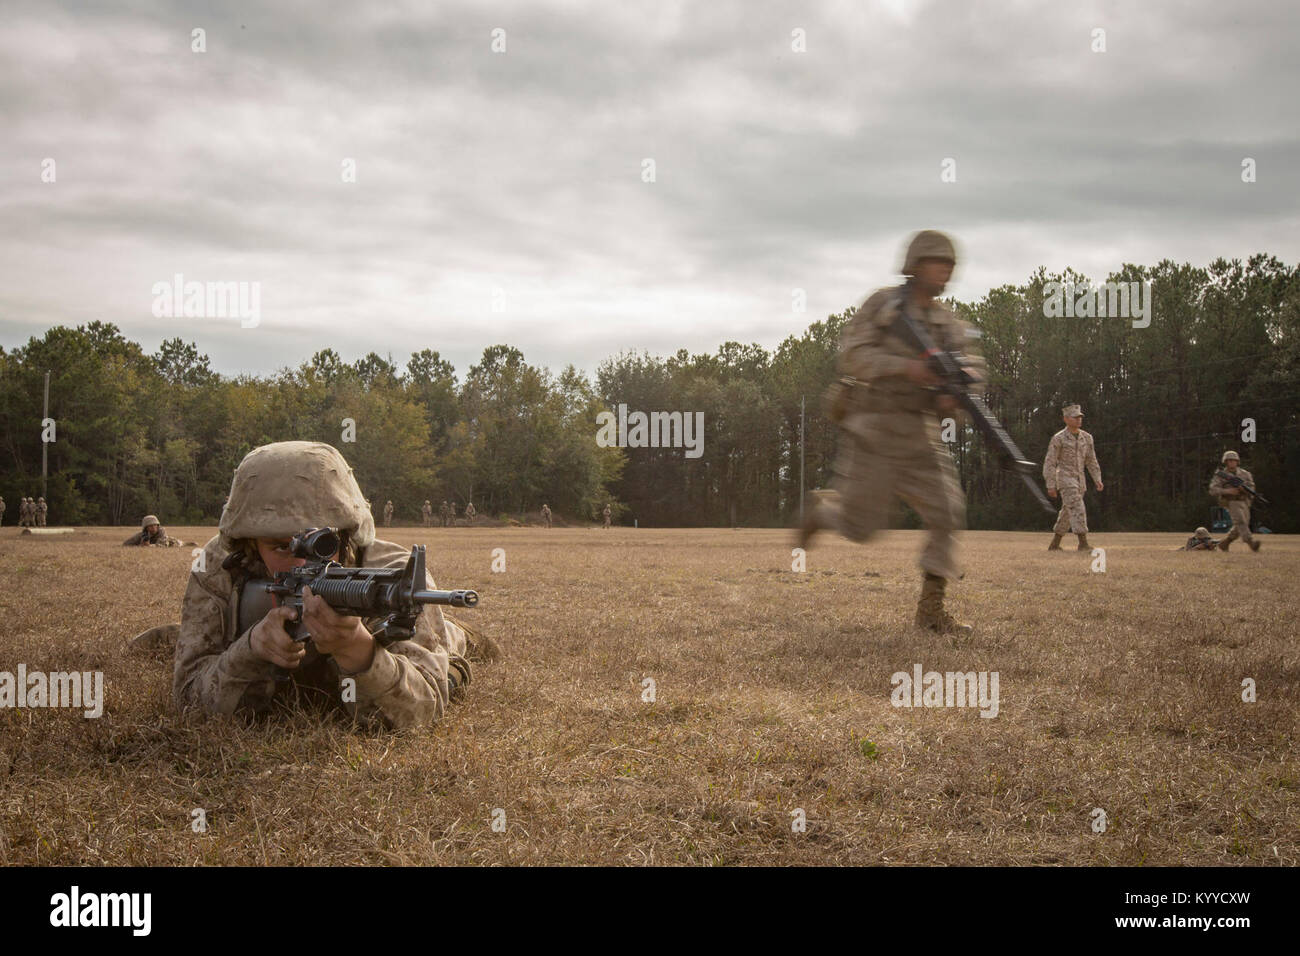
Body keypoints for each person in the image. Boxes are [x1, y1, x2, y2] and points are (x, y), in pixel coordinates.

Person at [174, 441, 482, 729]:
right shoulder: (221, 565)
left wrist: (358, 650)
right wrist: (251, 648)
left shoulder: (391, 575)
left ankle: (456, 633)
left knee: (449, 650)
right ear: (249, 545)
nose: (301, 564)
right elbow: (188, 698)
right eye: (281, 547)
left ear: (347, 537)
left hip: (390, 638)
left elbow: (422, 710)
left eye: (322, 543)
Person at [796, 231, 983, 637]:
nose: (946, 272)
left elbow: (972, 372)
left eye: (950, 265)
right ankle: (823, 511)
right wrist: (907, 368)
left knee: (948, 512)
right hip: (875, 430)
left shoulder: (948, 323)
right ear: (916, 265)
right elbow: (852, 356)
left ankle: (931, 614)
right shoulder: (883, 306)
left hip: (920, 434)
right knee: (862, 529)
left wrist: (957, 395)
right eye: (938, 263)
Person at [1044, 404, 1103, 551]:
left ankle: (1055, 544)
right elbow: (1050, 462)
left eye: (1080, 417)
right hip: (1064, 478)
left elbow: (1091, 460)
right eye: (1075, 417)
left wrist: (1097, 478)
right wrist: (1050, 484)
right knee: (1077, 506)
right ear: (1066, 419)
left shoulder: (1087, 438)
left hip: (1080, 480)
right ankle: (1083, 543)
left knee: (1067, 511)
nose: (1079, 420)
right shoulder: (1059, 438)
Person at [1209, 451, 1260, 552]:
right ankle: (1251, 542)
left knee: (1241, 524)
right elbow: (1213, 490)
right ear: (1226, 462)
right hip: (1231, 502)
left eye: (1234, 460)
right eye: (1229, 461)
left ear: (1237, 462)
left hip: (1244, 502)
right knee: (1241, 522)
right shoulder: (1221, 475)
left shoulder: (1245, 474)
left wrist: (1243, 489)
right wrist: (1228, 491)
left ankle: (1225, 543)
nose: (1232, 463)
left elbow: (1251, 488)